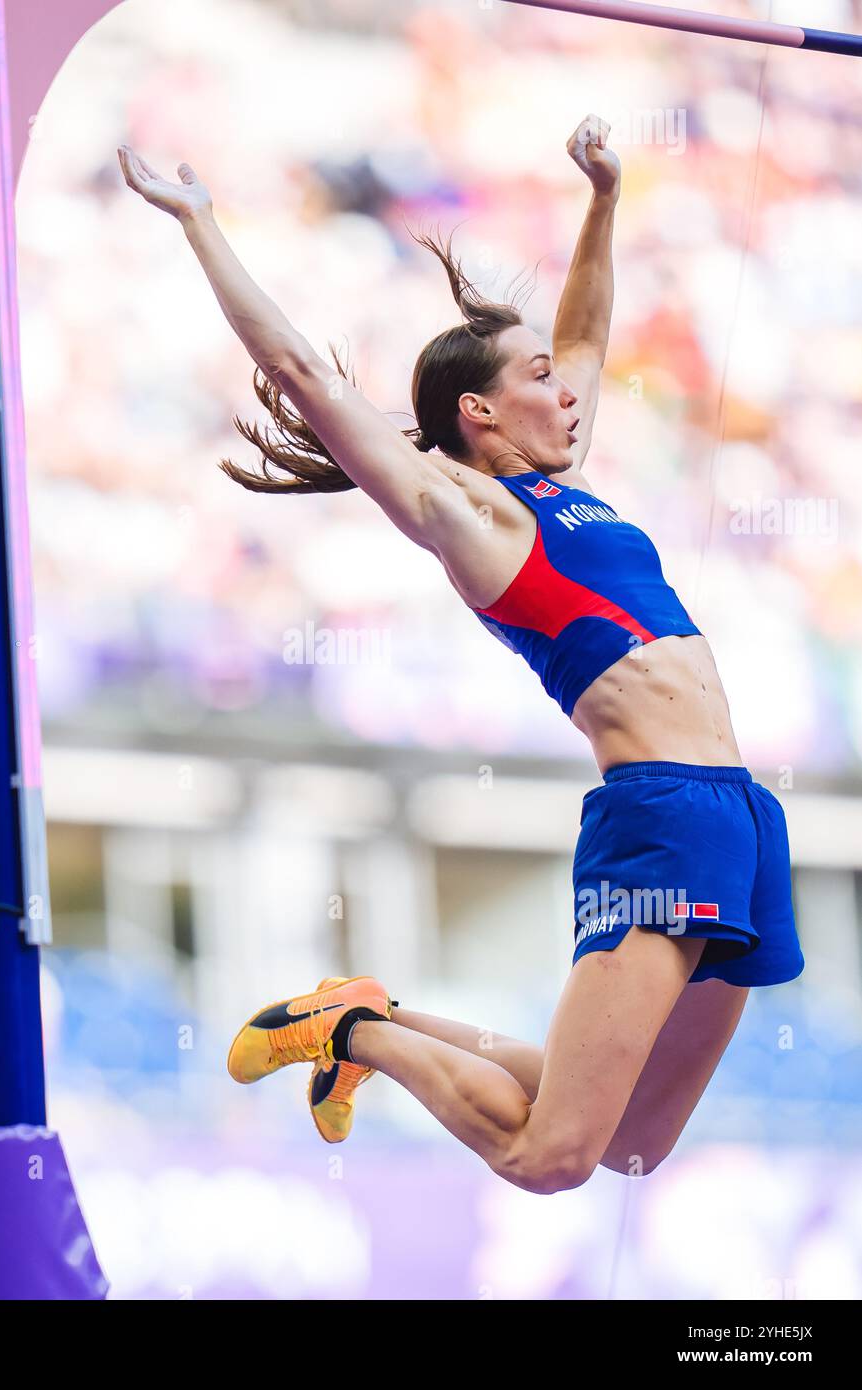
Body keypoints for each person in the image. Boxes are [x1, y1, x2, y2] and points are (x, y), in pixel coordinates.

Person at [118, 115, 804, 1192]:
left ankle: (358, 1012)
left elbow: (579, 331)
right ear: (481, 412)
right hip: (660, 814)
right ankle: (360, 1040)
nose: (572, 385)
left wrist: (603, 201)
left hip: (740, 816)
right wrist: (202, 224)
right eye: (542, 375)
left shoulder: (558, 478)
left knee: (629, 1141)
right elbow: (301, 370)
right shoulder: (468, 514)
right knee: (551, 1155)